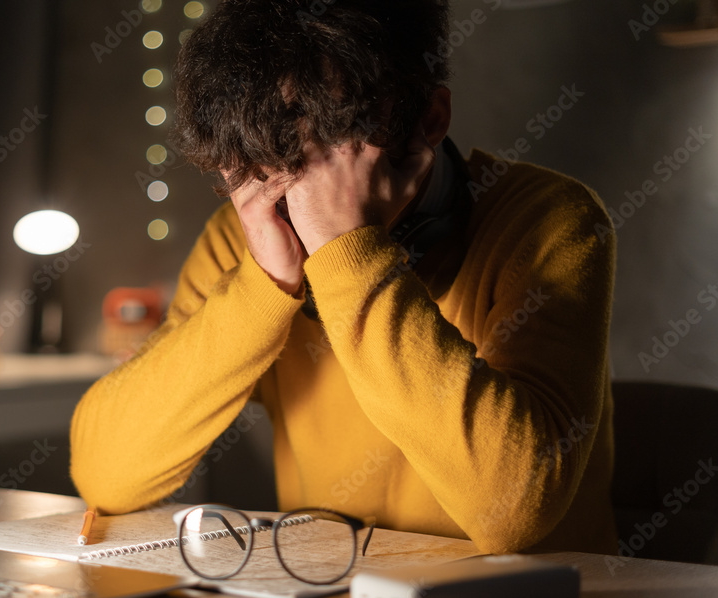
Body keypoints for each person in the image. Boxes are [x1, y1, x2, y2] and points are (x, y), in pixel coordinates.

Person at [71, 0, 618, 555]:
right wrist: (264, 285)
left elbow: (514, 514)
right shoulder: (249, 234)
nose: (294, 196)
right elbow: (105, 475)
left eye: (324, 154)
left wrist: (348, 256)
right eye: (269, 158)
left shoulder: (549, 218)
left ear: (429, 118)